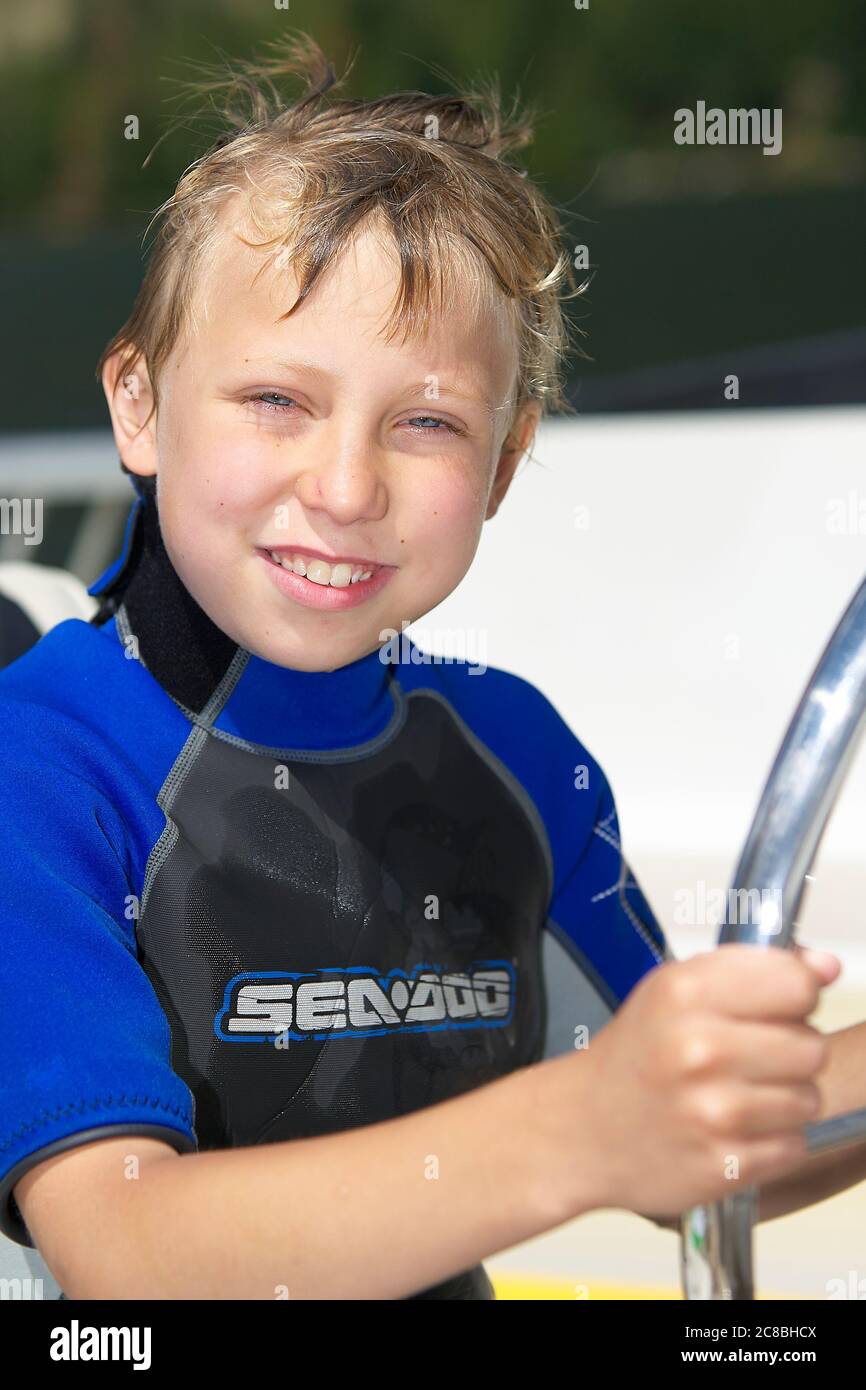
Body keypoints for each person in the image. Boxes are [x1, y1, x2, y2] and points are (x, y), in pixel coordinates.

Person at [0, 34, 859, 1301]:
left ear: (503, 468)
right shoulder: (40, 768)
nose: (344, 489)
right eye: (275, 402)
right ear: (138, 405)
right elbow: (123, 1250)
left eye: (426, 423)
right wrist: (575, 1130)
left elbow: (705, 1134)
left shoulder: (515, 756)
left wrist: (639, 1114)